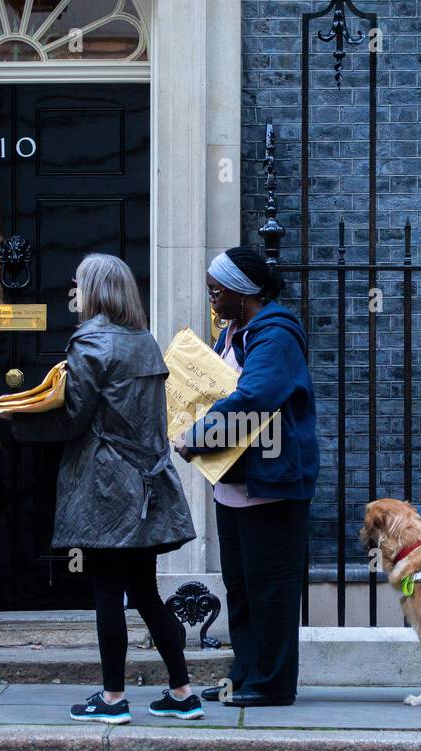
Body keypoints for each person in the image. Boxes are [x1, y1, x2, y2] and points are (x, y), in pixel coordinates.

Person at [10, 253, 199, 725]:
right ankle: (182, 691)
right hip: (147, 484)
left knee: (107, 592)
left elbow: (74, 418)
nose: (72, 292)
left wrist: (16, 420)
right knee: (147, 593)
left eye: (77, 284)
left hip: (105, 487)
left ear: (94, 289)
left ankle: (112, 698)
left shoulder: (91, 343)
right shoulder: (145, 343)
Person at [174, 247, 319, 708]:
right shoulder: (238, 331)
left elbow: (255, 397)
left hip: (272, 484)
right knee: (240, 588)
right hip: (238, 482)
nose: (212, 299)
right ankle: (245, 673)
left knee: (270, 590)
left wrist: (198, 435)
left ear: (244, 293)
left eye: (218, 292)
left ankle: (272, 682)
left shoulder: (274, 336)